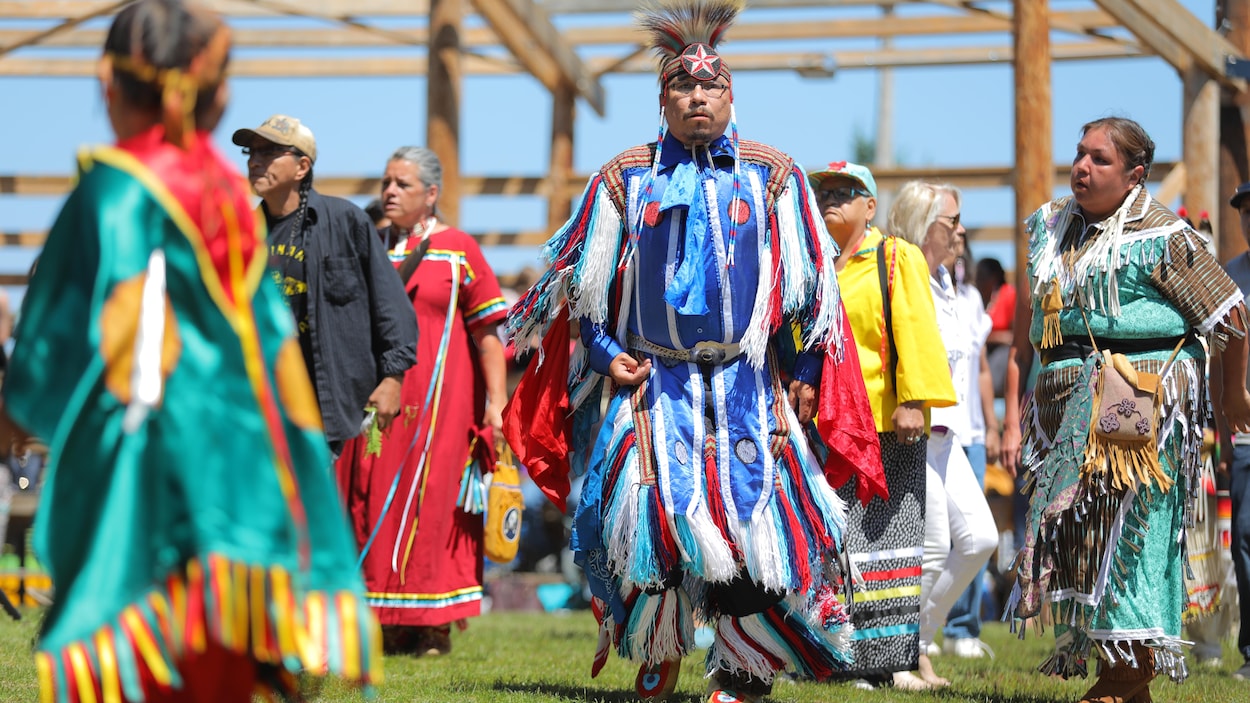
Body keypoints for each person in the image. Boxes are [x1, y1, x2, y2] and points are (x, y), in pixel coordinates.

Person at [0, 2, 382, 700]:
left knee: (139, 662)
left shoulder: (115, 190)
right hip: (241, 474)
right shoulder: (226, 198)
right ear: (219, 97)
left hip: (145, 478)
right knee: (217, 665)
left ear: (108, 86)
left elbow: (50, 346)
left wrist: (17, 413)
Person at [502, 4, 882, 701]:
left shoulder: (774, 176)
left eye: (712, 86)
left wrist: (801, 372)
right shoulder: (624, 177)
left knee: (749, 522)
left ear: (731, 95)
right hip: (654, 383)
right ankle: (659, 645)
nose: (698, 96)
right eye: (684, 86)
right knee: (651, 521)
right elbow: (584, 288)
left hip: (745, 382)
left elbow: (809, 293)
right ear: (663, 98)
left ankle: (744, 671)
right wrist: (607, 349)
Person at [1002, 116, 1250, 702]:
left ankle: (1123, 677)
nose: (1082, 167)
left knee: (1130, 537)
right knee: (1081, 545)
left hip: (1139, 408)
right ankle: (1125, 680)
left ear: (1136, 174)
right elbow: (1025, 333)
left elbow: (1232, 316)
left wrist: (1228, 395)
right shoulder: (1050, 227)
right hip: (1065, 412)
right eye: (1079, 155)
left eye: (1100, 159)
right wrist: (1014, 415)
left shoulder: (1164, 235)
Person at [336, 146, 510, 657]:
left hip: (442, 404)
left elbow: (487, 334)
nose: (388, 191)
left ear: (430, 194)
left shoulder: (457, 250)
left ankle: (431, 623)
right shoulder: (365, 245)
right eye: (386, 181)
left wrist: (495, 403)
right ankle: (381, 619)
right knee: (368, 500)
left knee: (433, 503)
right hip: (373, 402)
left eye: (402, 184)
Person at [810, 161, 956, 691]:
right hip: (829, 427)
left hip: (886, 423)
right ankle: (843, 656)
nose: (832, 198)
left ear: (870, 207)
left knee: (888, 541)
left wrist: (913, 399)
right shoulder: (818, 264)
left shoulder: (895, 256)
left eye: (846, 191)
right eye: (824, 190)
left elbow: (915, 328)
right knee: (838, 543)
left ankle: (886, 661)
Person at [231, 114, 417, 457]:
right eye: (250, 153)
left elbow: (390, 305)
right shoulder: (242, 234)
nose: (255, 161)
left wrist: (393, 379)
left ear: (302, 167)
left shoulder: (346, 222)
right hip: (260, 410)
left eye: (269, 152)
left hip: (329, 412)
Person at [889, 181, 998, 686]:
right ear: (923, 223)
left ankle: (915, 640)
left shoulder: (947, 282)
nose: (960, 230)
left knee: (981, 538)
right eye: (951, 220)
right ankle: (902, 654)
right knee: (930, 548)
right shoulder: (899, 275)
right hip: (913, 433)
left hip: (948, 434)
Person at [1217, 180, 1250, 681]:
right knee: (1243, 536)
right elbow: (1217, 359)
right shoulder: (1229, 278)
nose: (1248, 219)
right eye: (1245, 211)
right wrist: (1222, 433)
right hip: (1245, 430)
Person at [976, 257, 1015, 398]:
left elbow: (1016, 335)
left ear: (995, 277)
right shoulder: (977, 299)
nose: (979, 281)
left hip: (1003, 352)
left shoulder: (1008, 294)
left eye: (982, 277)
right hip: (983, 350)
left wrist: (992, 337)